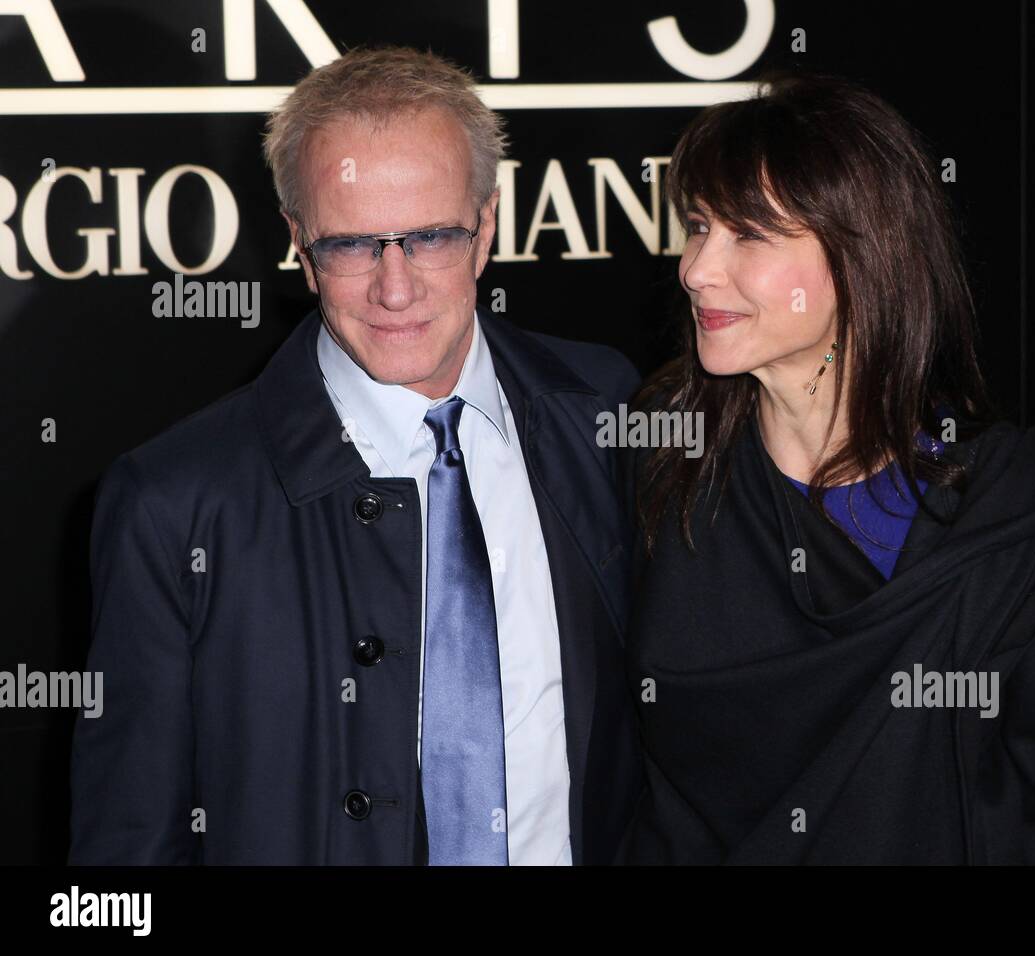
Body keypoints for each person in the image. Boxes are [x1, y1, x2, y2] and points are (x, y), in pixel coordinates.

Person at [68, 46, 643, 865]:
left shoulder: (606, 412)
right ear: (300, 243)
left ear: (486, 226)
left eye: (432, 236)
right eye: (351, 245)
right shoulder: (173, 502)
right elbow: (124, 856)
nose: (395, 288)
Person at [618, 73, 1035, 864]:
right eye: (697, 226)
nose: (697, 269)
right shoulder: (656, 474)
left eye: (749, 234)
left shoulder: (1031, 524)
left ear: (864, 256)